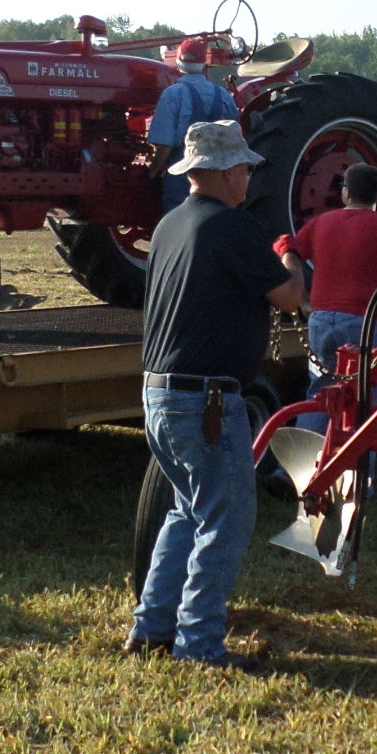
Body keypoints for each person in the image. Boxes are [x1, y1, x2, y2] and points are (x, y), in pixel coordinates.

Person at [129, 119, 305, 669]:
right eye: (246, 168)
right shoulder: (233, 228)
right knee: (226, 521)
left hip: (158, 393)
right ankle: (199, 646)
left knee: (187, 512)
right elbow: (290, 298)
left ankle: (151, 630)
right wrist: (290, 254)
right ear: (229, 171)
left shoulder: (168, 226)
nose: (249, 177)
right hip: (206, 399)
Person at [277, 163, 377, 390]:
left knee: (320, 394)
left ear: (346, 193)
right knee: (365, 397)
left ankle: (311, 426)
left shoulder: (320, 223)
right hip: (364, 322)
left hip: (320, 320)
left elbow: (288, 251)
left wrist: (303, 301)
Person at [148, 40, 239, 213]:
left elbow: (164, 145)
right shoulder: (224, 96)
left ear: (179, 62)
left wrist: (152, 175)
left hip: (183, 179)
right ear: (204, 63)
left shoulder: (172, 94)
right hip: (219, 179)